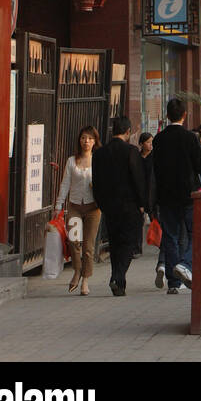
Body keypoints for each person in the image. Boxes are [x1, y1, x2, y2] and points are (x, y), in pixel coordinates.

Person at [151, 98, 201, 293]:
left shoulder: (158, 139)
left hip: (166, 196)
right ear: (184, 115)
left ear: (167, 116)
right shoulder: (190, 138)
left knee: (171, 236)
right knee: (196, 232)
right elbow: (199, 165)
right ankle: (185, 264)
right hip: (188, 194)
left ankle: (174, 283)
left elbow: (155, 169)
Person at [90, 117, 145, 297]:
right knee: (130, 243)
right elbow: (138, 180)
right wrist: (144, 204)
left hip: (109, 207)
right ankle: (117, 276)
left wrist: (102, 203)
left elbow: (96, 182)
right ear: (128, 132)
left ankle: (119, 283)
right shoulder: (131, 151)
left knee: (115, 243)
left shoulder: (99, 153)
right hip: (130, 206)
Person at [54, 125, 101, 296]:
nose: (86, 141)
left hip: (93, 209)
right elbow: (65, 183)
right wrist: (59, 205)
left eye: (89, 138)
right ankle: (77, 271)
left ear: (95, 141)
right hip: (74, 206)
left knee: (88, 246)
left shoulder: (98, 160)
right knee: (74, 241)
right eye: (83, 138)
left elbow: (105, 184)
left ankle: (85, 280)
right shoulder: (71, 161)